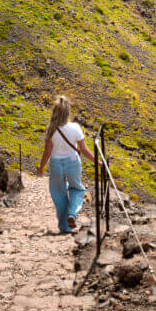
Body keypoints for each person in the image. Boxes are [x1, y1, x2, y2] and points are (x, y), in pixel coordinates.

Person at [37, 95, 94, 234]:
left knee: (58, 193)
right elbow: (84, 149)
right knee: (77, 189)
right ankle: (72, 214)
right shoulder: (75, 127)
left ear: (54, 112)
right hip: (72, 162)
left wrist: (41, 167)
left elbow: (47, 151)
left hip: (56, 163)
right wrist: (97, 161)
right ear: (67, 112)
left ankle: (65, 226)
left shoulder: (50, 129)